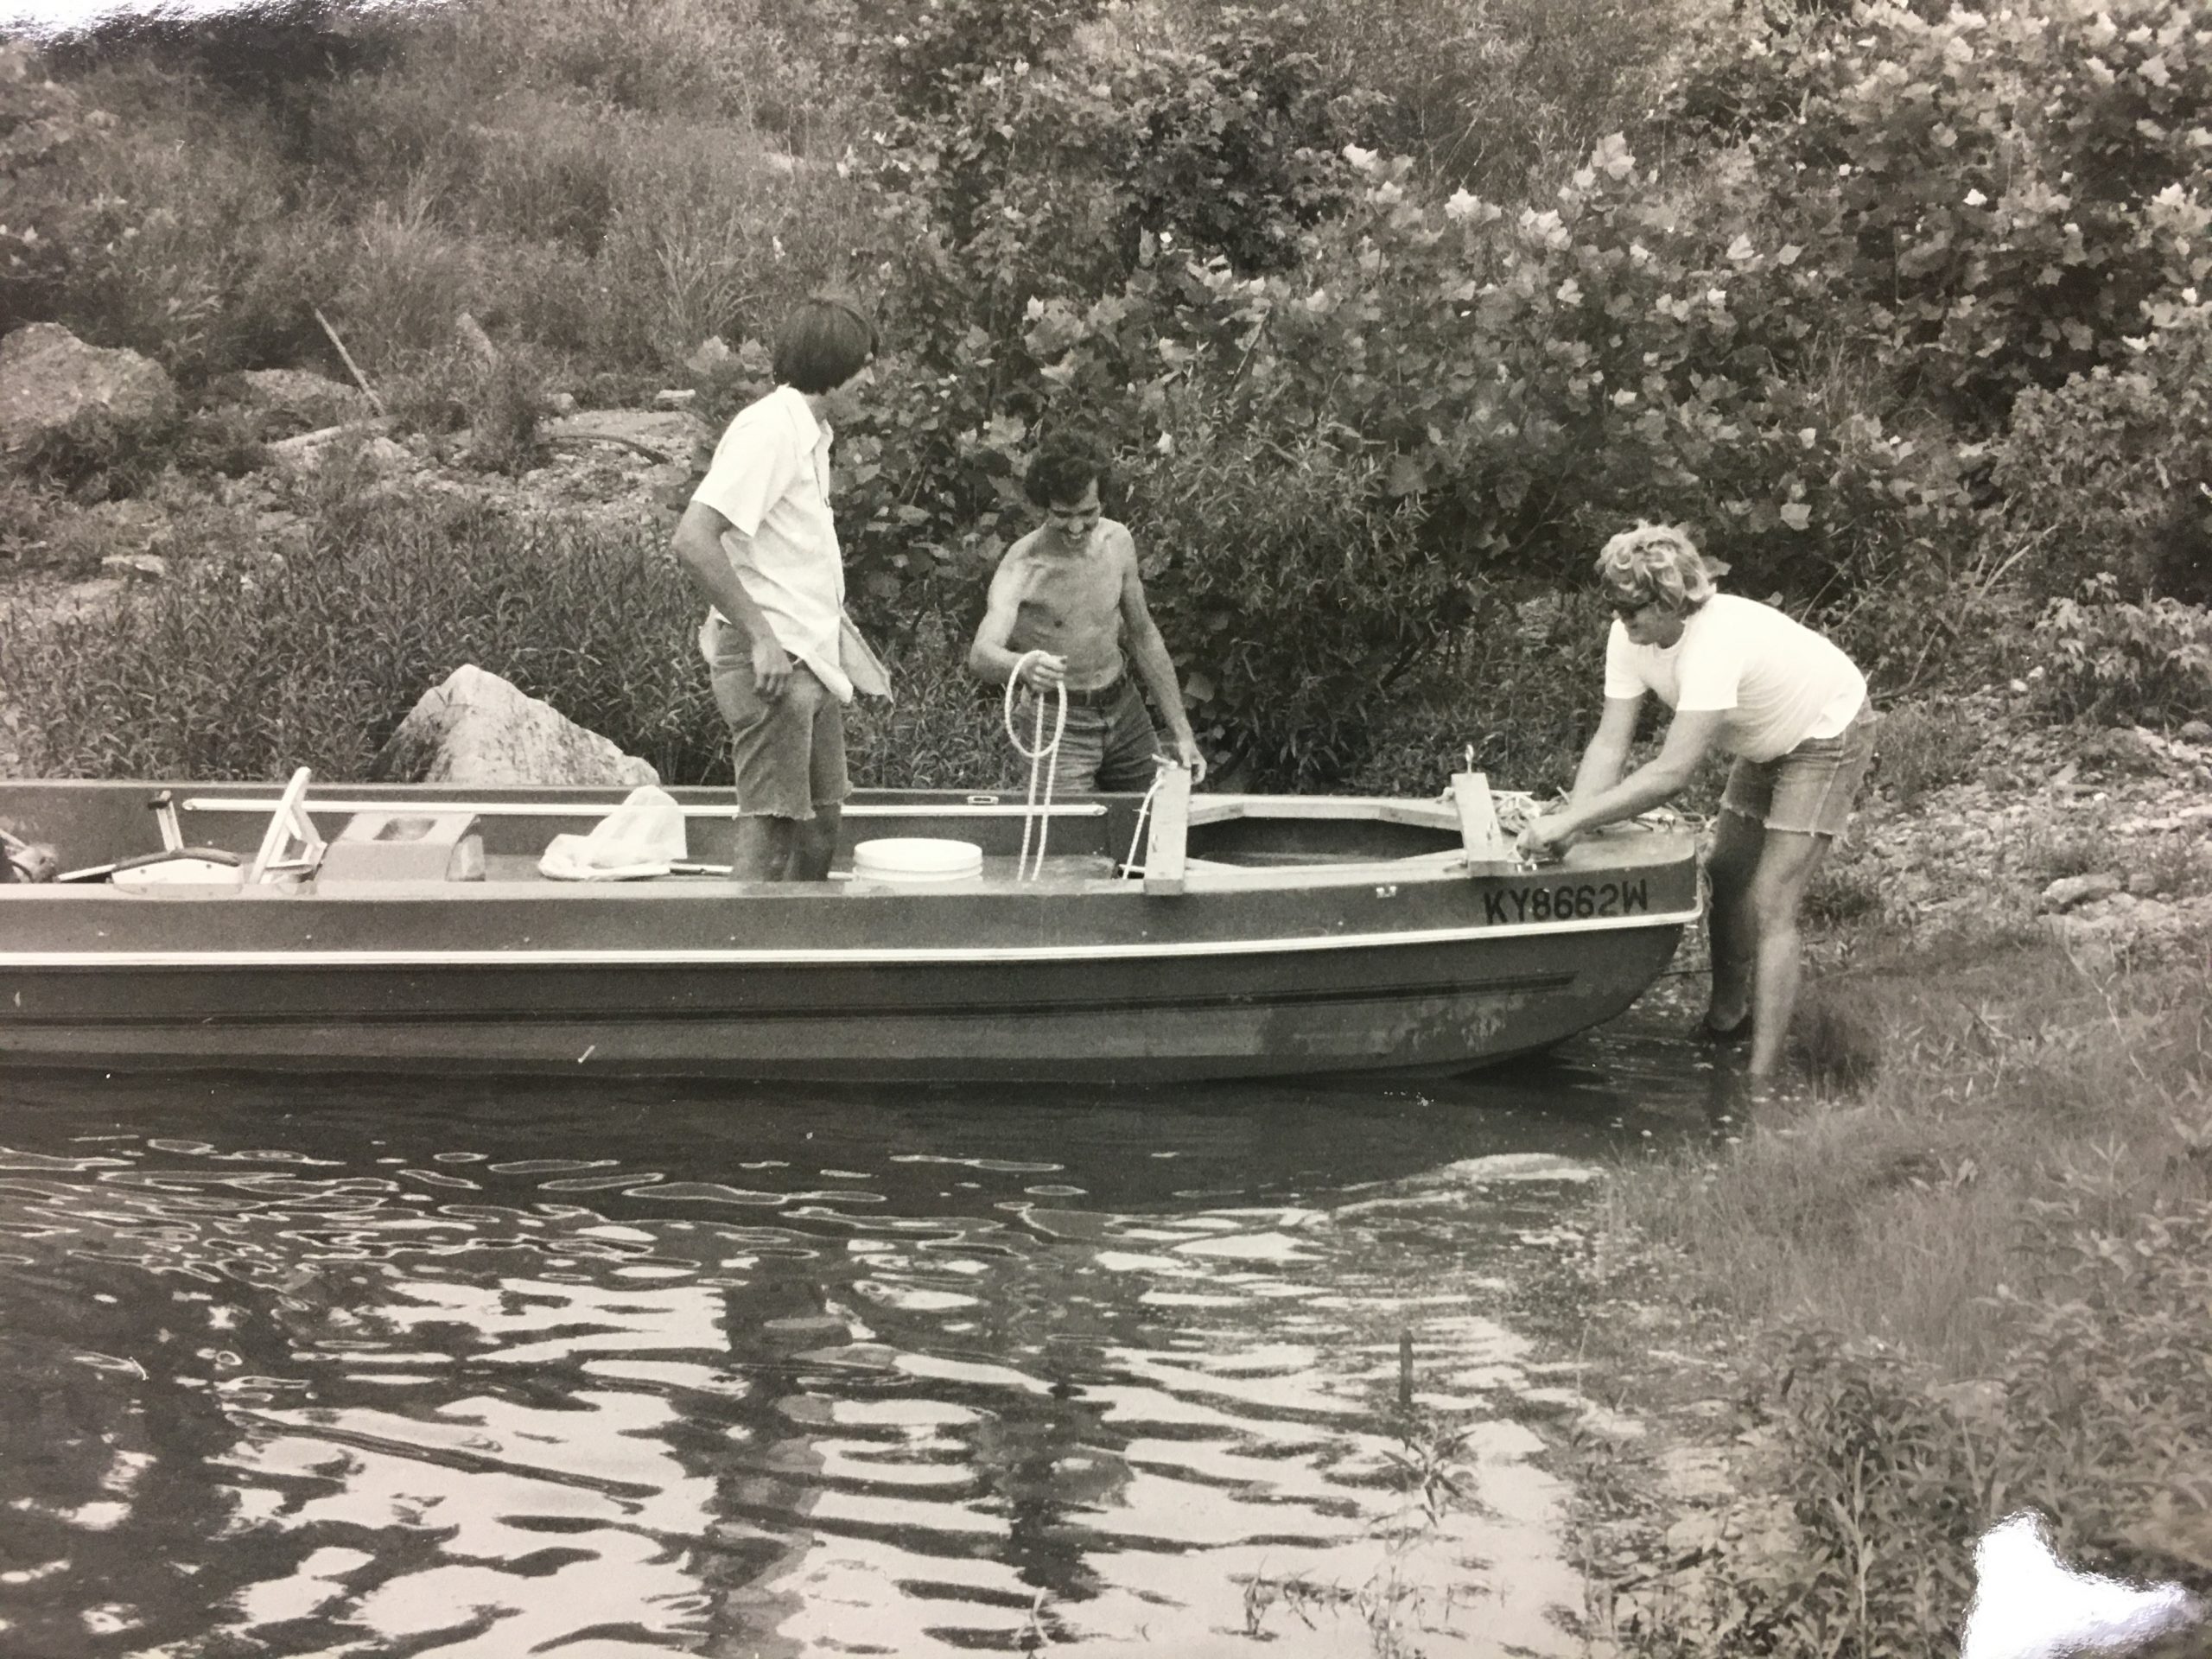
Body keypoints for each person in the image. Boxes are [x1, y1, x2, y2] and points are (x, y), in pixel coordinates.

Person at [1517, 522, 1877, 1083]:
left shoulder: (1713, 643)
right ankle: (1727, 1022)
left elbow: (1671, 775)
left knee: (1772, 901)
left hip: (1825, 730)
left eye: (1633, 611)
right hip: (1763, 738)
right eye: (1616, 610)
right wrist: (1569, 827)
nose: (1622, 622)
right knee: (1727, 874)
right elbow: (1612, 741)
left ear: (1668, 601)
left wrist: (1574, 820)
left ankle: (1760, 1078)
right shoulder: (1630, 636)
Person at [671, 295, 879, 880]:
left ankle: (799, 962)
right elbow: (694, 539)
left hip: (808, 658)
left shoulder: (813, 434)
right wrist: (761, 637)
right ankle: (741, 964)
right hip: (772, 664)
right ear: (831, 365)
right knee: (771, 828)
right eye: (864, 364)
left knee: (821, 828)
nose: (872, 378)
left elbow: (784, 555)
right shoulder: (769, 431)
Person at [967, 430, 1205, 791]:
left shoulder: (1119, 544)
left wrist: (1183, 734)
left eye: (1087, 513)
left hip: (1124, 709)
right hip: (1057, 721)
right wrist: (1022, 665)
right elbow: (981, 655)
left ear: (1103, 503)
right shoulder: (1023, 565)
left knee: (1151, 822)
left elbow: (1144, 636)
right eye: (1063, 515)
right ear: (1043, 507)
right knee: (1065, 838)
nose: (1076, 527)